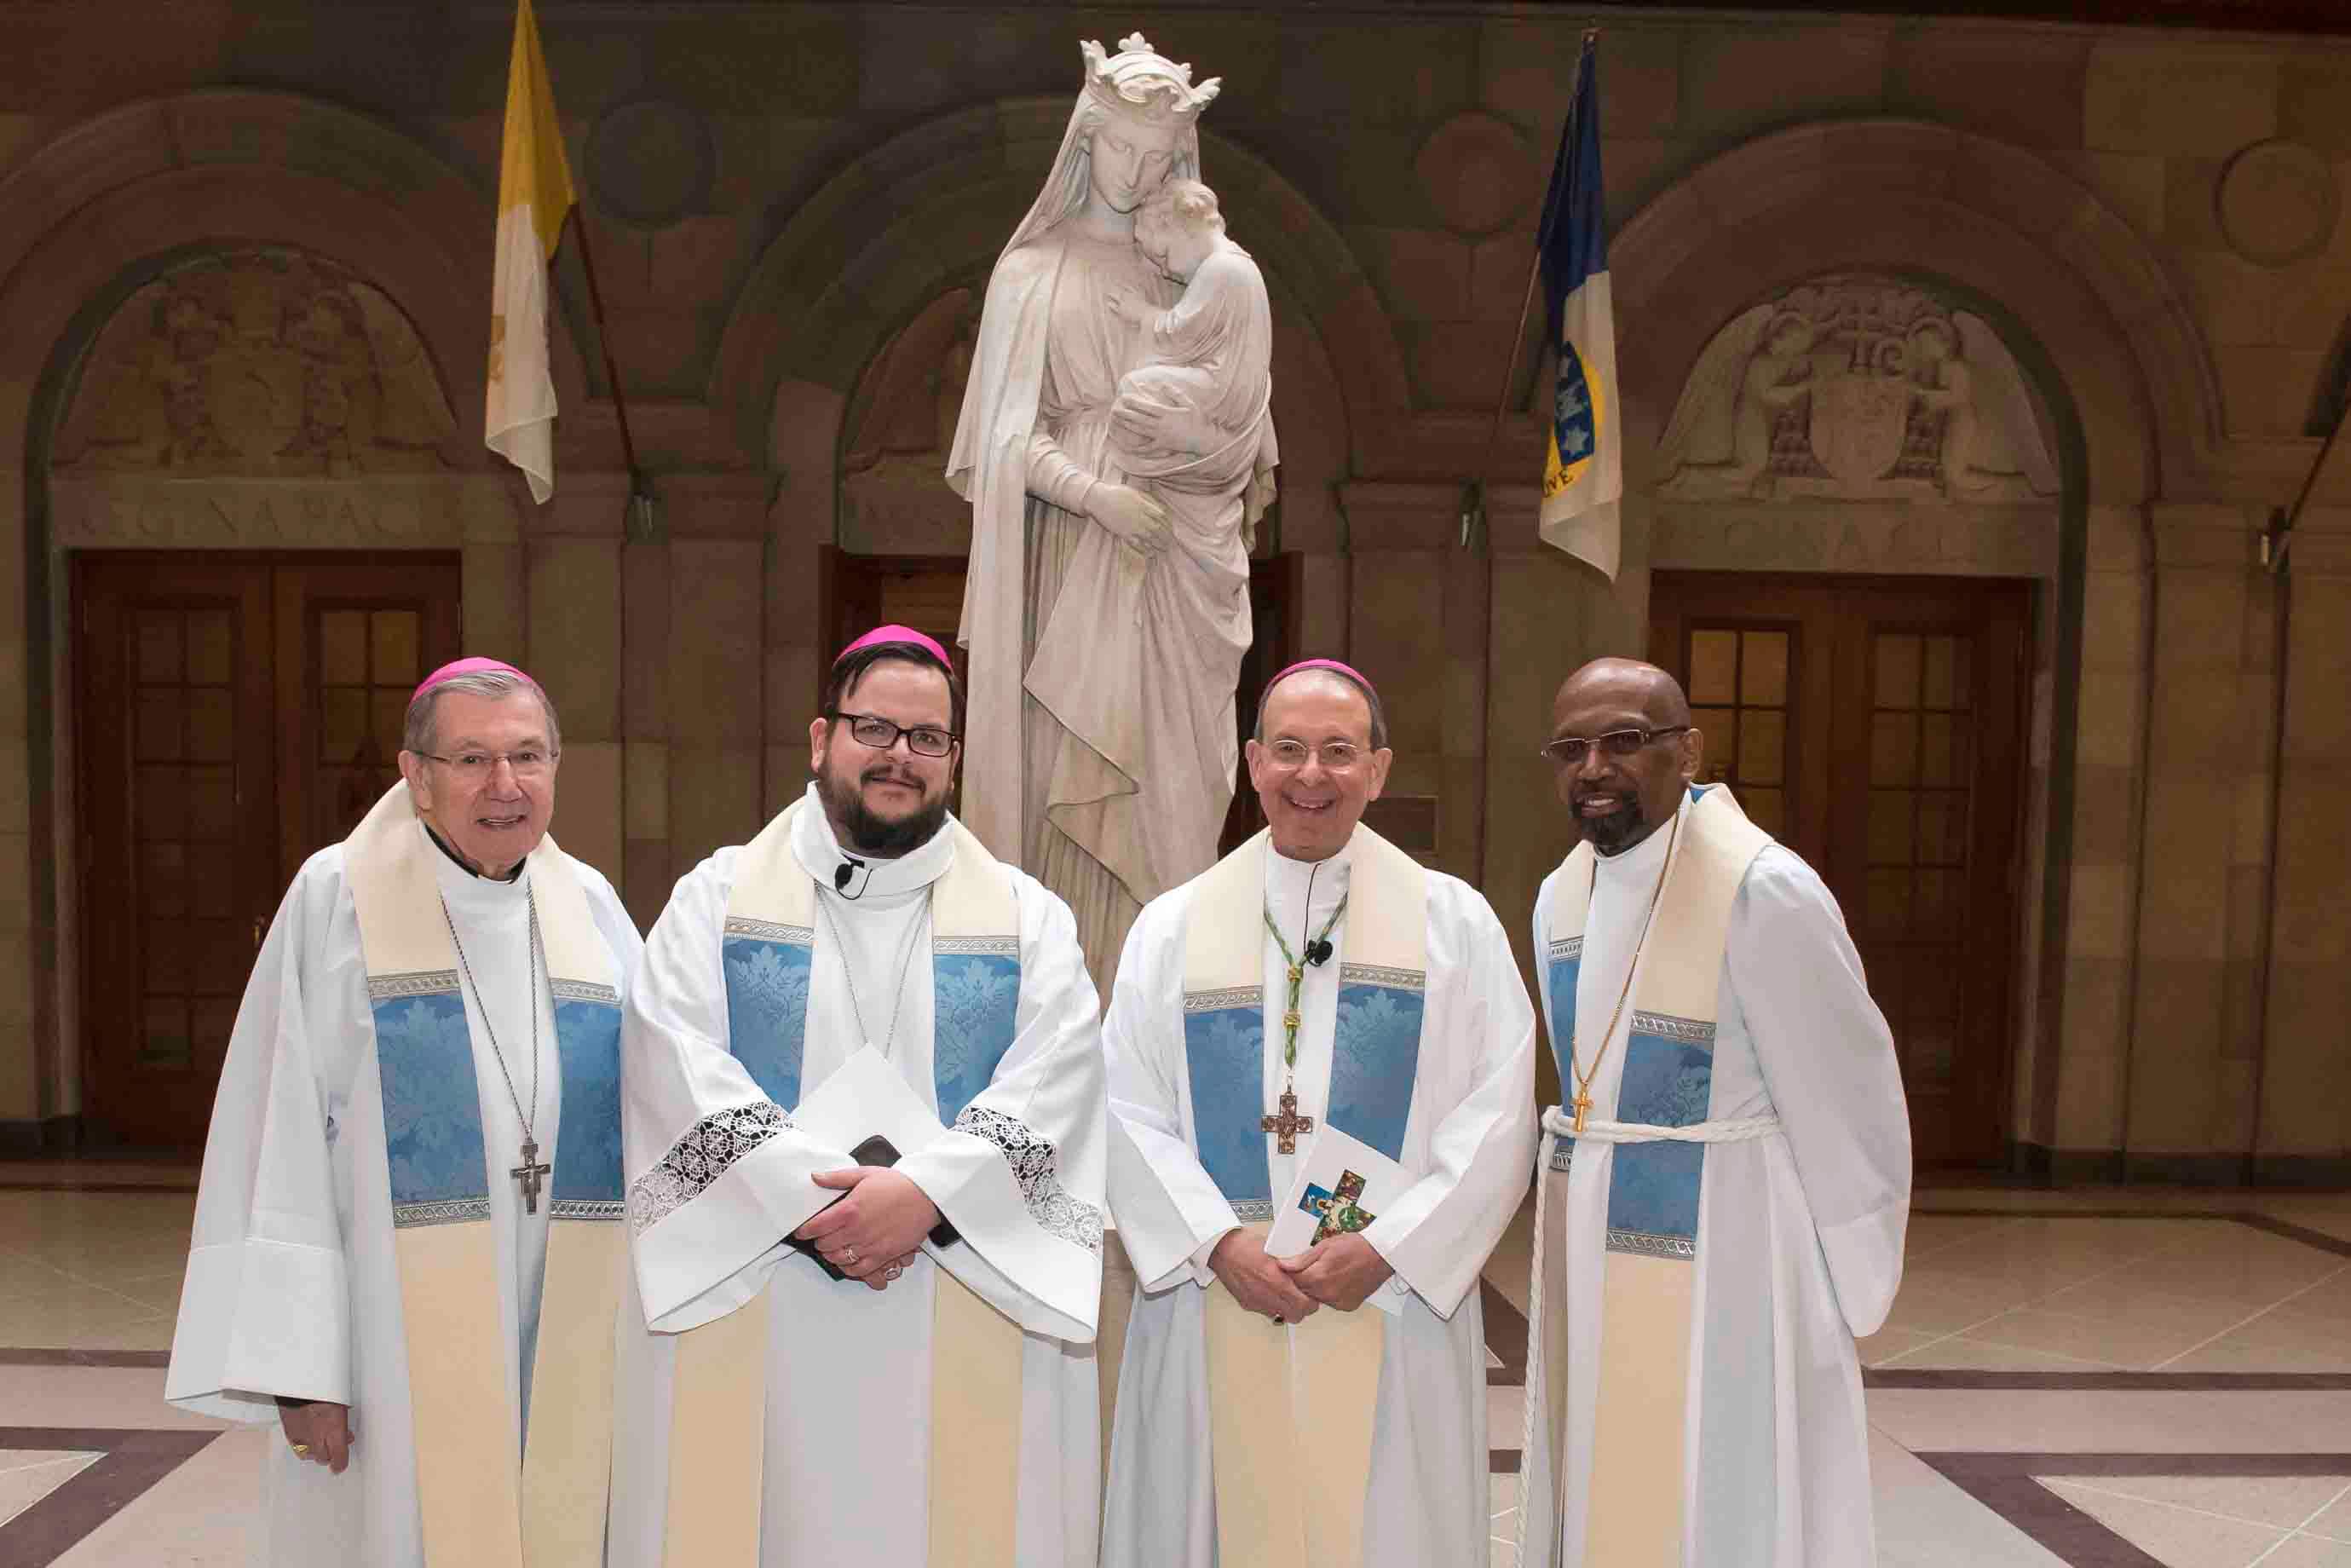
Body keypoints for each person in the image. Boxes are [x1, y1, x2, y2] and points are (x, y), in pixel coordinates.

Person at [619, 625, 1108, 1567]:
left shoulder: (1024, 917)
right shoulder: (715, 899)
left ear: (953, 761)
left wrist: (924, 1198)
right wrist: (822, 1209)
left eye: (926, 738)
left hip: (962, 1297)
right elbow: (673, 1059)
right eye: (873, 727)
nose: (898, 755)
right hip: (764, 1303)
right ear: (819, 738)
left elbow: (1060, 1074)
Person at [165, 658, 647, 1568]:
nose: (505, 787)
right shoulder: (336, 901)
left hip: (571, 1330)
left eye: (527, 756)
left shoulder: (592, 907)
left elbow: (663, 1105)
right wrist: (299, 1370)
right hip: (385, 1342)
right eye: (472, 759)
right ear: (415, 775)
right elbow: (276, 1138)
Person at [1100, 659, 1537, 1568]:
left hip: (1390, 1301)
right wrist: (1218, 1244)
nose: (1312, 776)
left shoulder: (1454, 926)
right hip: (1214, 1293)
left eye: (1339, 752)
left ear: (1377, 769)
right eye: (1289, 750)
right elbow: (1119, 1108)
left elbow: (1498, 1116)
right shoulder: (1173, 927)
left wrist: (1386, 1247)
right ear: (1251, 762)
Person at [1515, 656, 1911, 1568]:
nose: (1595, 768)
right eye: (1571, 748)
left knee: (1723, 1471)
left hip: (1734, 1246)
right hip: (1592, 1240)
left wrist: (1839, 1270)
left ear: (1686, 749)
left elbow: (1847, 1090)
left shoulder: (1762, 888)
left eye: (1624, 740)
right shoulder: (1556, 897)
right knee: (1606, 1461)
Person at [948, 32, 1277, 1000]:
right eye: (1121, 149)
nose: (1136, 174)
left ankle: (1150, 1005)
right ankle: (1061, 1004)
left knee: (1173, 792)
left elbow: (1245, 426)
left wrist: (1205, 447)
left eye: (1156, 155)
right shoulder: (1032, 273)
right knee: (1068, 791)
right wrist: (1099, 496)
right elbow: (1004, 443)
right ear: (1086, 140)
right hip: (1068, 566)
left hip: (1175, 560)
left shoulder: (1200, 269)